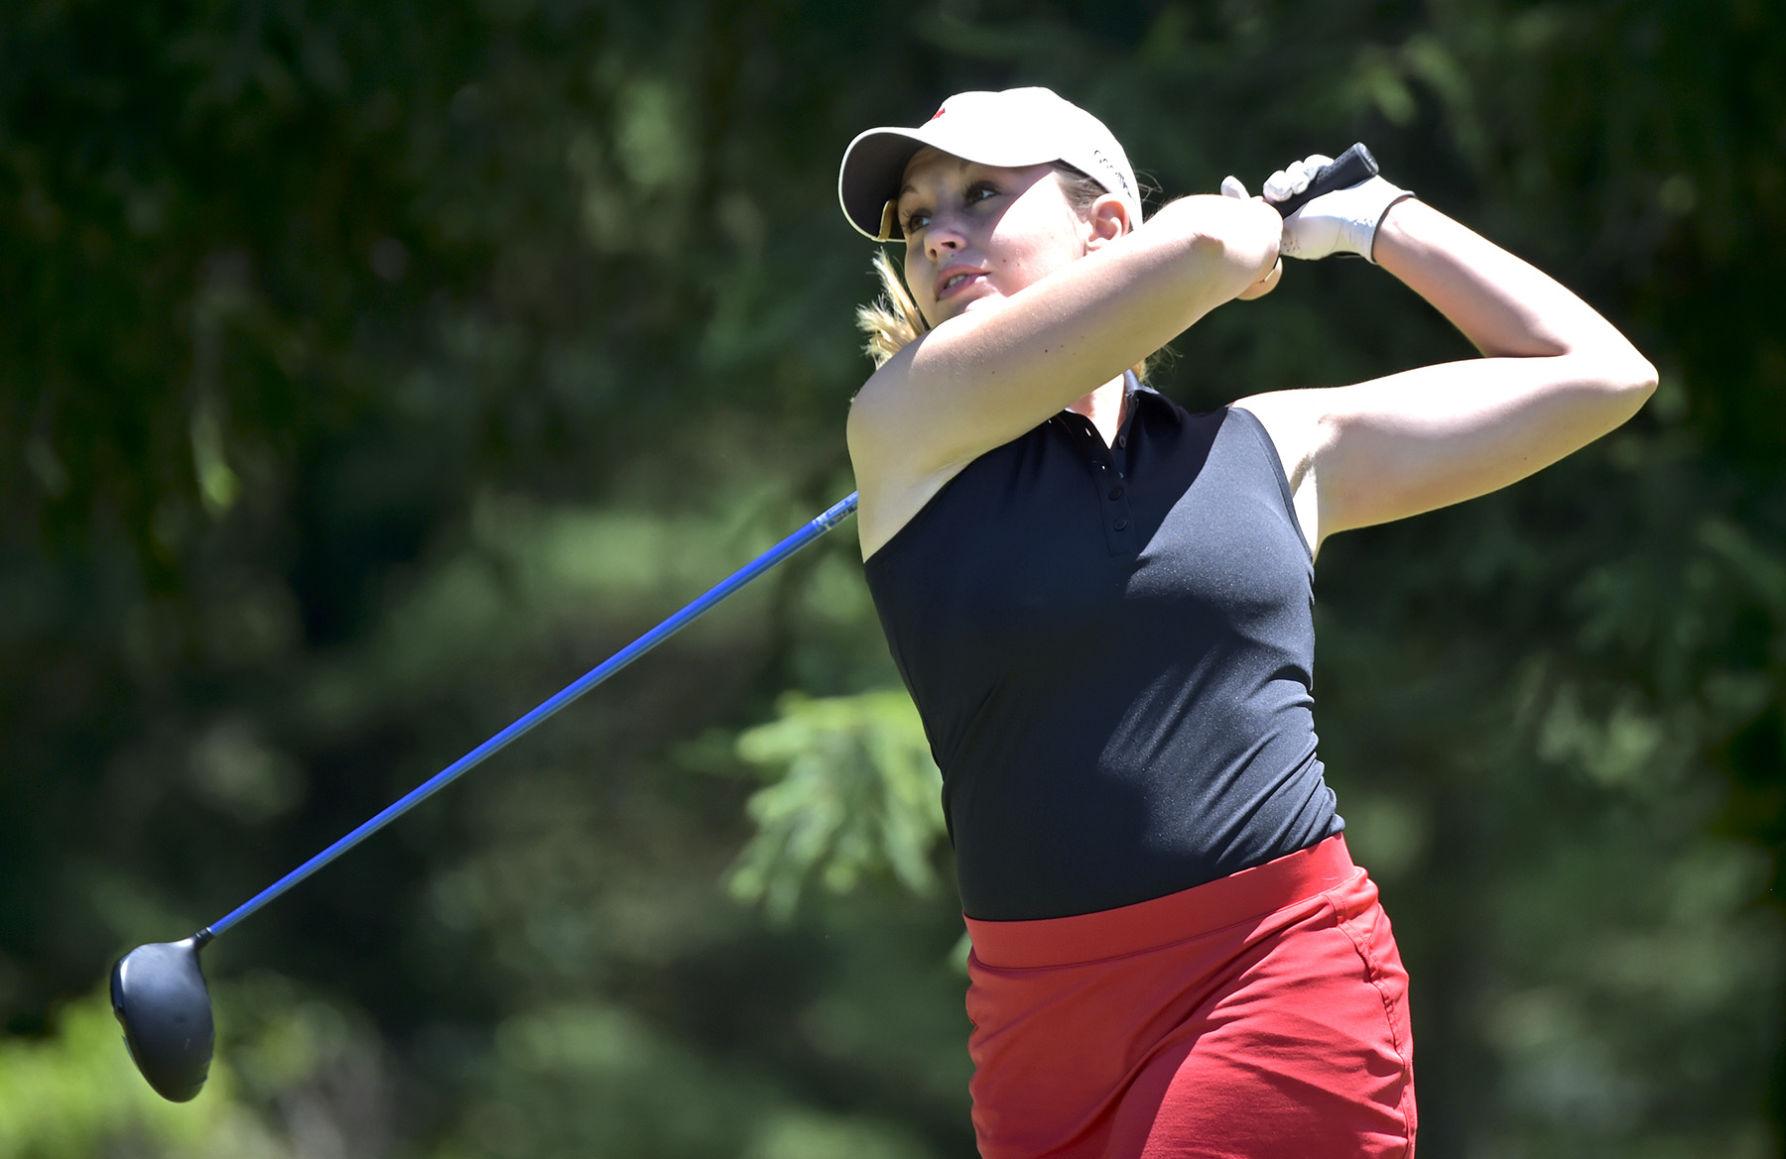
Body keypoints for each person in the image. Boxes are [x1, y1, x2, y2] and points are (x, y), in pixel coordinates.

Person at [836, 87, 1655, 1158]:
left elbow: (1599, 375)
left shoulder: (1274, 447)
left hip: (1272, 971)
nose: (938, 229)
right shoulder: (906, 423)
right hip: (1037, 1028)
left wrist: (1373, 217)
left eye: (982, 194)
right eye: (916, 215)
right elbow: (1216, 241)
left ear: (1108, 226)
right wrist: (1241, 242)